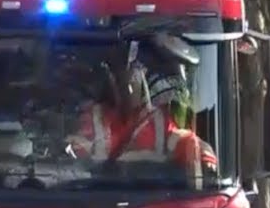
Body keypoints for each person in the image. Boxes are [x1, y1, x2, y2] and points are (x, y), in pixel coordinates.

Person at [67, 34, 218, 184]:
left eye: (134, 74)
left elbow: (186, 141)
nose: (127, 84)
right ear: (111, 79)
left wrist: (204, 156)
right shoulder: (95, 117)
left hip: (148, 202)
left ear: (144, 80)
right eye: (121, 74)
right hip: (97, 201)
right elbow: (73, 152)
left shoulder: (159, 122)